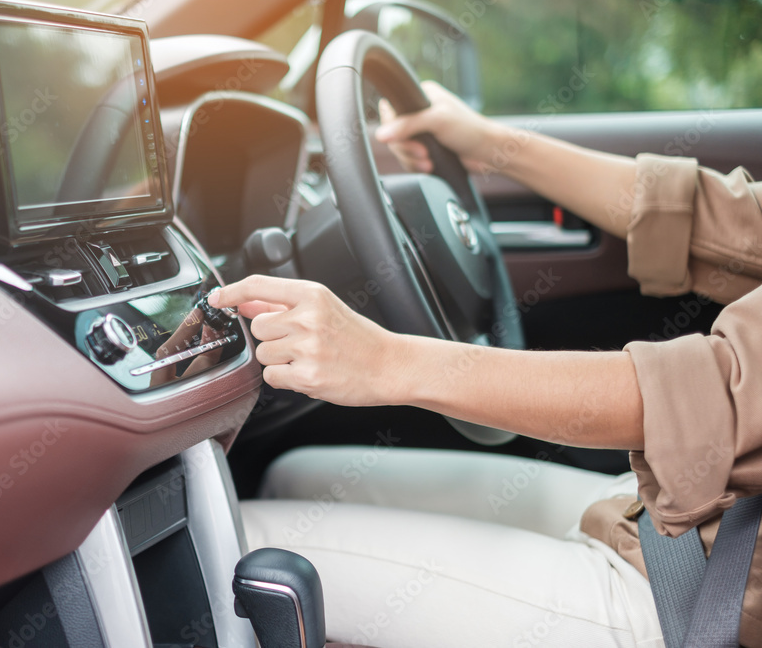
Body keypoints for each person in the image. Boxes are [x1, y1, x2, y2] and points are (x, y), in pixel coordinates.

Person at [207, 81, 762, 647]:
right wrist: (489, 142)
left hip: (705, 603)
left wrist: (383, 361)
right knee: (288, 479)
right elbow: (722, 223)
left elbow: (706, 400)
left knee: (228, 549)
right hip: (671, 515)